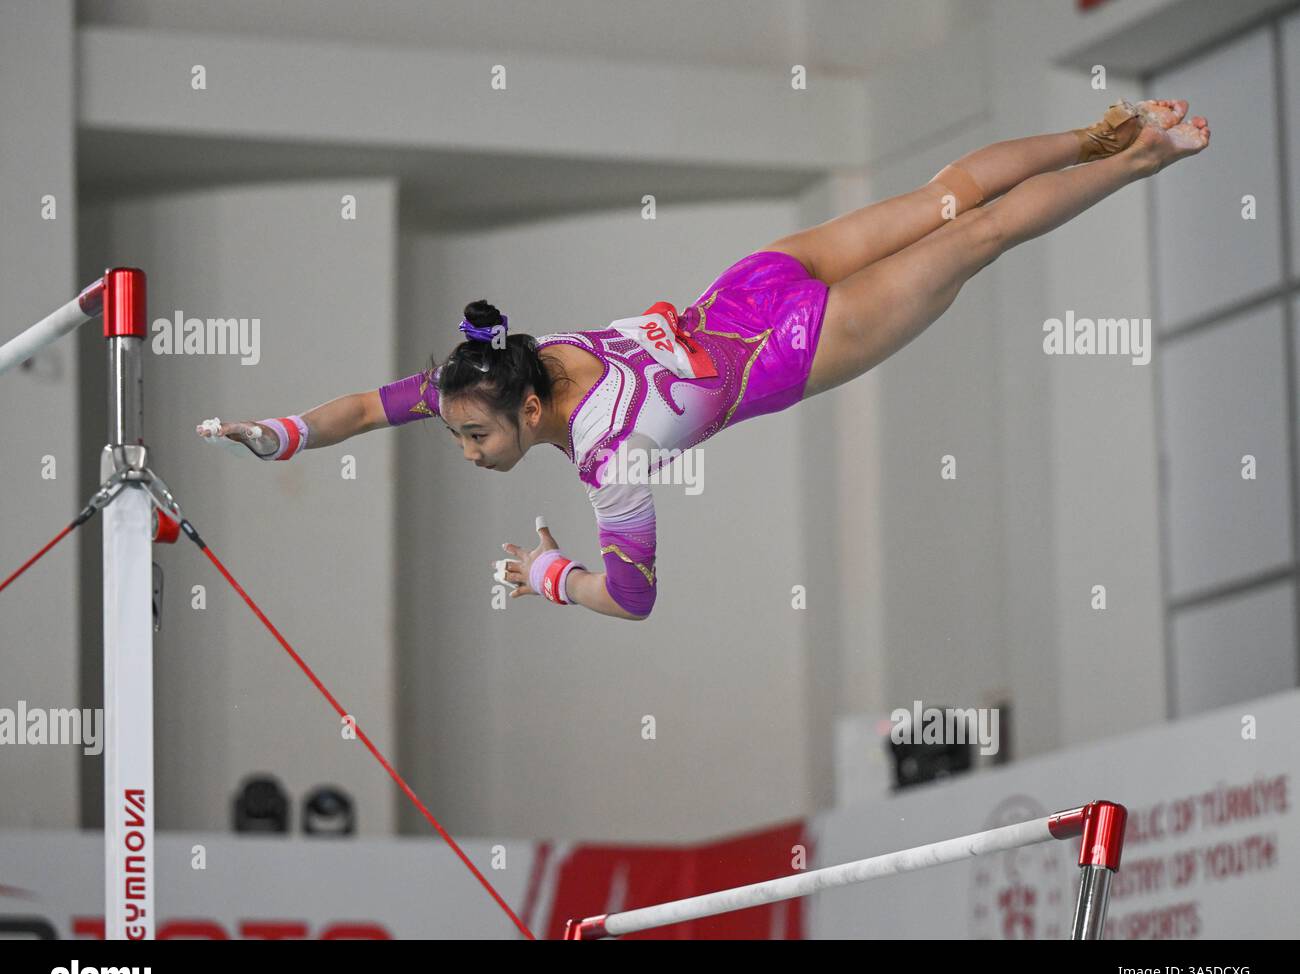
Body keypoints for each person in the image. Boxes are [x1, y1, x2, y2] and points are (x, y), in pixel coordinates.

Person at [197, 99, 1209, 621]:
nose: (463, 447)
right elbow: (367, 411)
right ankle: (1104, 133)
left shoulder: (607, 464)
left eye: (472, 437)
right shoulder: (506, 365)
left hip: (789, 342)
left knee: (970, 236)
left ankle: (1137, 155)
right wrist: (277, 436)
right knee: (943, 198)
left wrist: (550, 574)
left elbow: (634, 597)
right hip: (751, 284)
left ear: (527, 416)